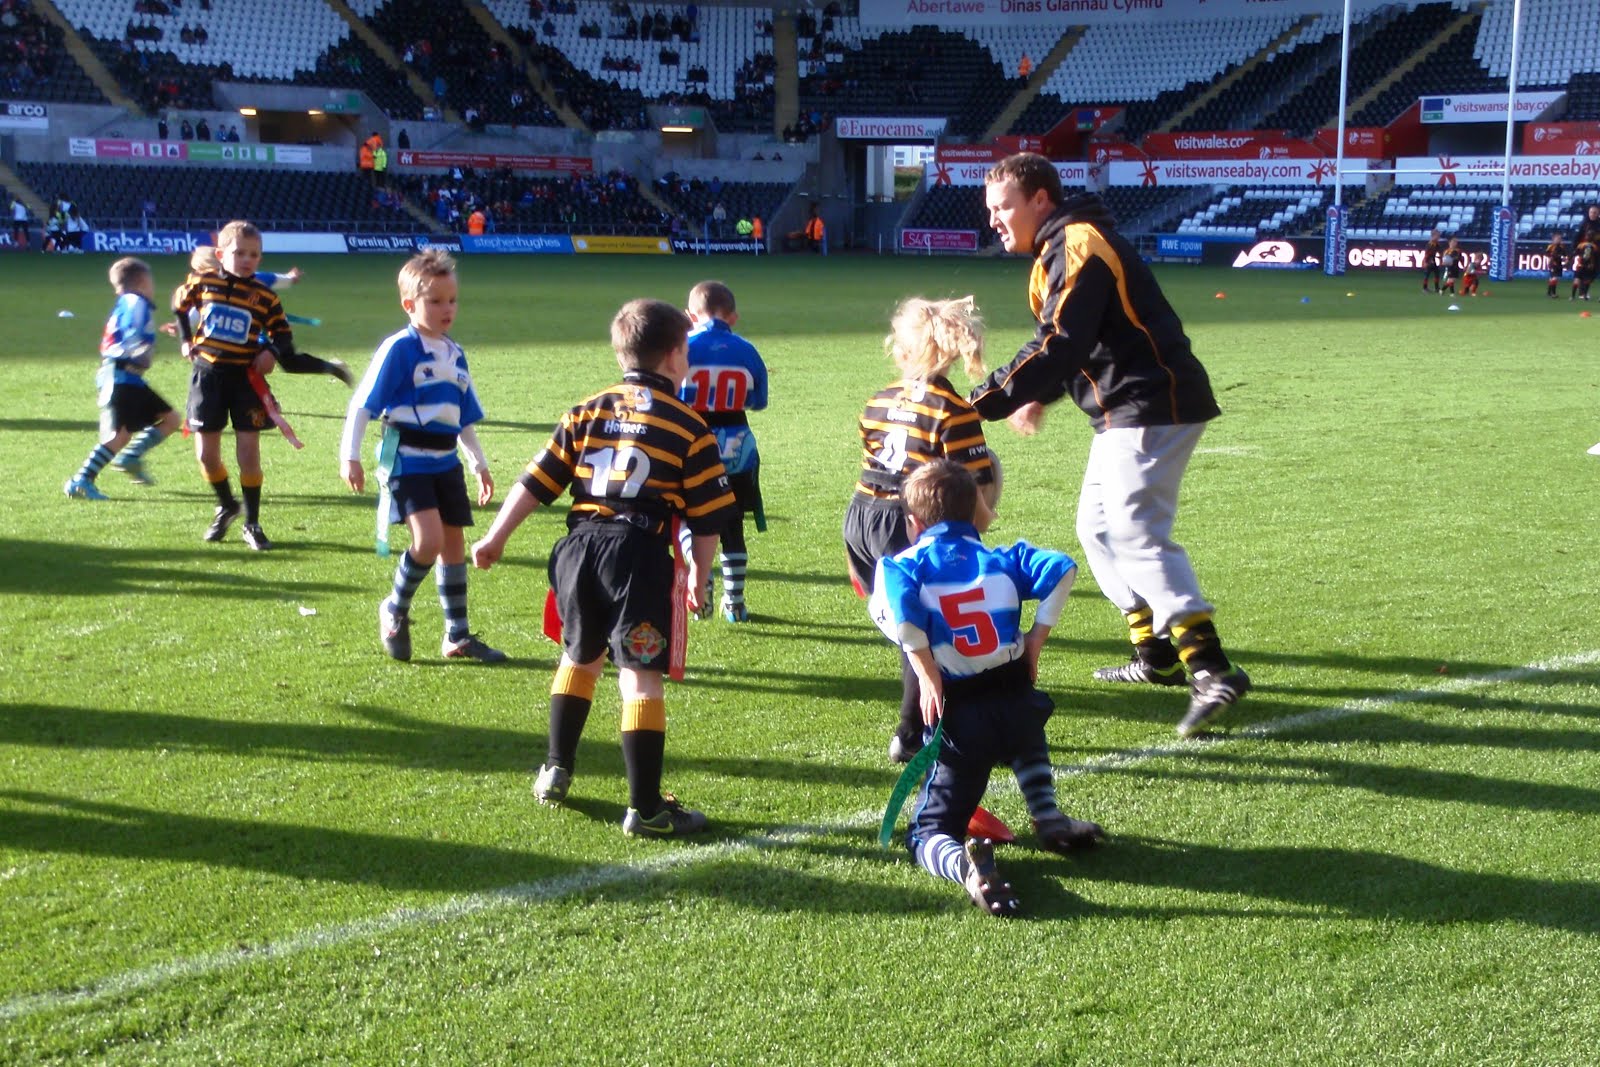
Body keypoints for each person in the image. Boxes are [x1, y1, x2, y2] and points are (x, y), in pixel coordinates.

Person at [973, 151, 1248, 738]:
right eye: (991, 210)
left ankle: (1211, 668)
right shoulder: (1063, 243)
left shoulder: (1077, 241)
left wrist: (981, 400)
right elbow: (1080, 340)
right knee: (1097, 529)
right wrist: (1036, 396)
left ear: (1040, 199)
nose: (995, 220)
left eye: (1003, 207)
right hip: (1123, 409)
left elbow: (1061, 343)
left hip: (1151, 403)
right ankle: (1155, 655)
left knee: (1133, 530)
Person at [470, 298, 737, 837]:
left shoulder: (587, 409)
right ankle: (647, 809)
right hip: (635, 556)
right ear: (675, 356)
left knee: (580, 656)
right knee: (640, 678)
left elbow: (535, 482)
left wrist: (496, 537)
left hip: (577, 549)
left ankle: (555, 767)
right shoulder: (689, 426)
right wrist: (699, 577)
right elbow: (708, 521)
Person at [870, 460, 1105, 917]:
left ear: (914, 523)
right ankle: (1049, 815)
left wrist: (925, 671)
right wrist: (1036, 637)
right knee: (1027, 738)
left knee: (928, 831)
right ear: (977, 512)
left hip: (963, 716)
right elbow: (1062, 568)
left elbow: (901, 615)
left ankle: (966, 868)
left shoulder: (902, 566)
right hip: (1016, 698)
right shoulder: (1003, 559)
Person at [845, 296, 997, 763]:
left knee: (901, 620)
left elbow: (873, 458)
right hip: (905, 518)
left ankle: (926, 716)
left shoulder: (878, 400)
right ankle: (913, 734)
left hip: (861, 513)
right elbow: (976, 485)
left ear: (904, 348)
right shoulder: (954, 409)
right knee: (921, 628)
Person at [341, 248, 505, 664]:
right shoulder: (400, 348)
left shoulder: (455, 352)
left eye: (451, 300)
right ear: (409, 304)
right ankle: (393, 609)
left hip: (445, 461)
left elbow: (462, 416)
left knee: (452, 544)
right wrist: (351, 455)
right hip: (406, 457)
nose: (446, 308)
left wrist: (479, 463)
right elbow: (363, 404)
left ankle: (457, 636)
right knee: (427, 541)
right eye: (434, 301)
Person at [173, 220, 348, 550]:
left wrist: (270, 351)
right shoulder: (203, 282)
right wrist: (185, 340)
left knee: (249, 454)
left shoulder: (265, 296)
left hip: (245, 380)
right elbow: (179, 304)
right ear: (222, 254)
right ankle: (227, 505)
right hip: (206, 377)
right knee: (207, 456)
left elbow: (283, 334)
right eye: (240, 253)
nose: (247, 259)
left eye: (254, 254)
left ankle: (252, 523)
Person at [676, 280, 767, 621]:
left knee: (686, 519)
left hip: (692, 448)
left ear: (689, 315)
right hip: (738, 447)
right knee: (732, 525)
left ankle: (702, 580)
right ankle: (736, 604)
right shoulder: (747, 350)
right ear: (734, 317)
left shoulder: (682, 347)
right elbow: (759, 402)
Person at [64, 258, 183, 499]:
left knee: (171, 419)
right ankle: (81, 479)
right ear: (142, 281)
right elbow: (131, 330)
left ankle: (131, 456)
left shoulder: (128, 301)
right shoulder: (135, 301)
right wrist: (137, 348)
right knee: (118, 435)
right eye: (150, 282)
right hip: (120, 375)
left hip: (130, 377)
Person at [1572, 232, 1597, 301]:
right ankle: (1576, 296)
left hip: (1585, 266)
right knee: (1578, 281)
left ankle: (1582, 295)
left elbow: (1594, 257)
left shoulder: (1592, 246)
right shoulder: (1590, 246)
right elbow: (1576, 252)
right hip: (1582, 266)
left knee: (1585, 281)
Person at [1546, 232, 1568, 299]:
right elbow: (1547, 254)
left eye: (1560, 239)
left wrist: (1565, 260)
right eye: (1557, 239)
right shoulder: (1551, 246)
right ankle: (1553, 293)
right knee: (1554, 278)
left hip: (1559, 264)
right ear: (1553, 239)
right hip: (1553, 264)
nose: (1558, 240)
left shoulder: (1562, 247)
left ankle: (1549, 292)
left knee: (1553, 278)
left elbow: (1565, 255)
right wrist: (1552, 258)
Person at [1420, 229, 1442, 293]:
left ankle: (1436, 288)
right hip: (1429, 260)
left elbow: (1439, 252)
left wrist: (1440, 258)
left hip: (1433, 260)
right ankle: (1424, 288)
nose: (1438, 237)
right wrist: (1426, 262)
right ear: (1433, 236)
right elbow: (1427, 253)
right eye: (1438, 236)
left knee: (1437, 274)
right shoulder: (1430, 244)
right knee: (1427, 274)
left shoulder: (1436, 244)